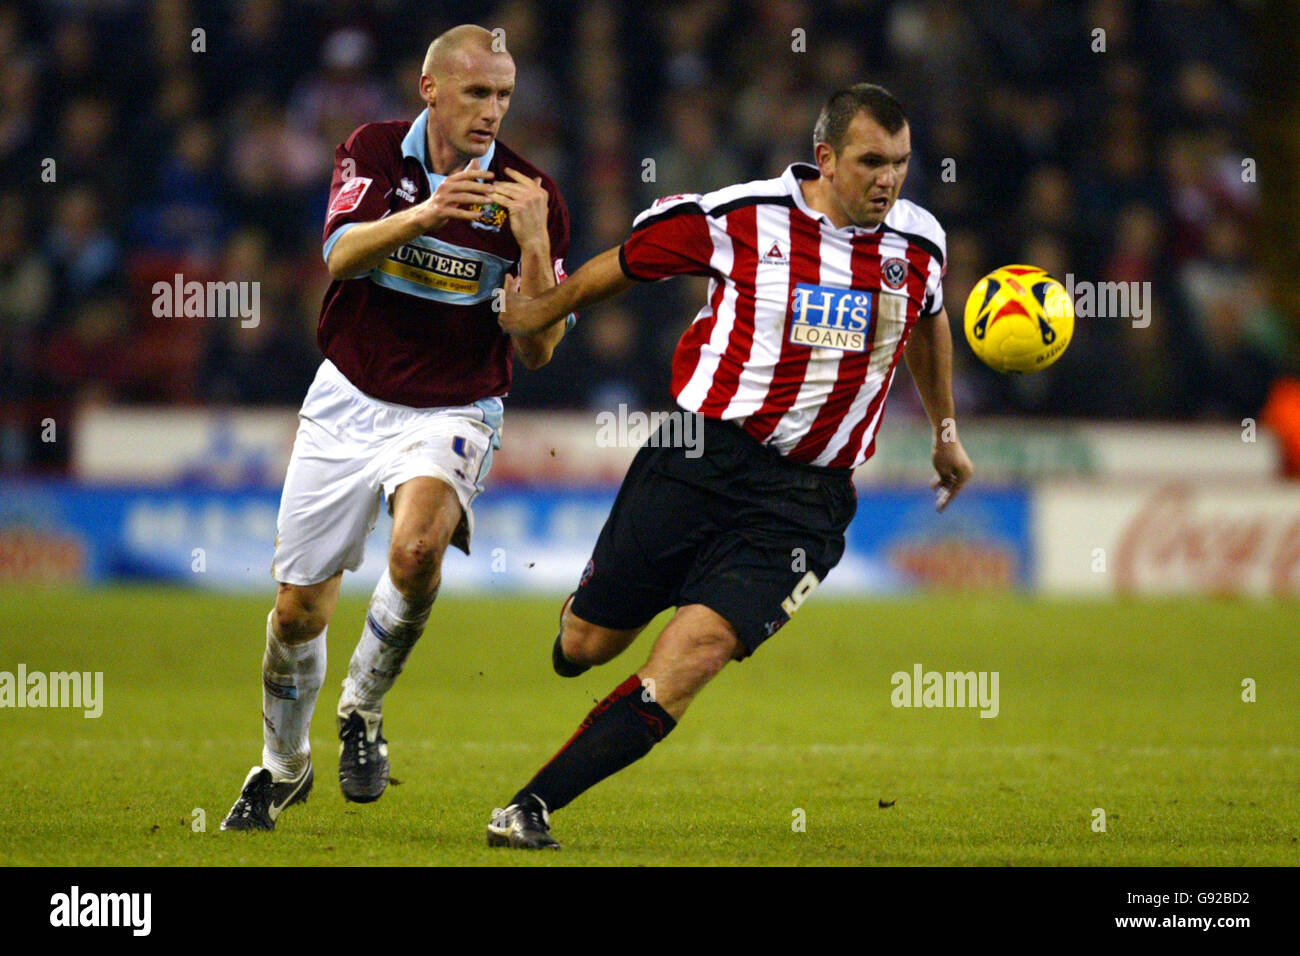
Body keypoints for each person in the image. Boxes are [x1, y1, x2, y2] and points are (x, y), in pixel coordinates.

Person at [485, 84, 973, 849]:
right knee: (585, 647)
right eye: (871, 161)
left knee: (696, 653)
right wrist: (544, 310)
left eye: (901, 164)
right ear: (826, 159)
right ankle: (586, 623)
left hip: (804, 505)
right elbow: (629, 263)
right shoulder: (742, 217)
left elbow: (929, 321)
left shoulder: (920, 245)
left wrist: (945, 431)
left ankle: (530, 807)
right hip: (698, 458)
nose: (888, 179)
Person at [221, 24, 573, 830]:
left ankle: (361, 710)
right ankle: (283, 766)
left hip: (456, 402)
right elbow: (341, 256)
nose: (493, 111)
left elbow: (543, 347)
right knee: (297, 613)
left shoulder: (532, 193)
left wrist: (535, 250)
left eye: (504, 96)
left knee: (416, 550)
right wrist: (423, 216)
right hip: (349, 397)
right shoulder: (376, 150)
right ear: (431, 90)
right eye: (478, 93)